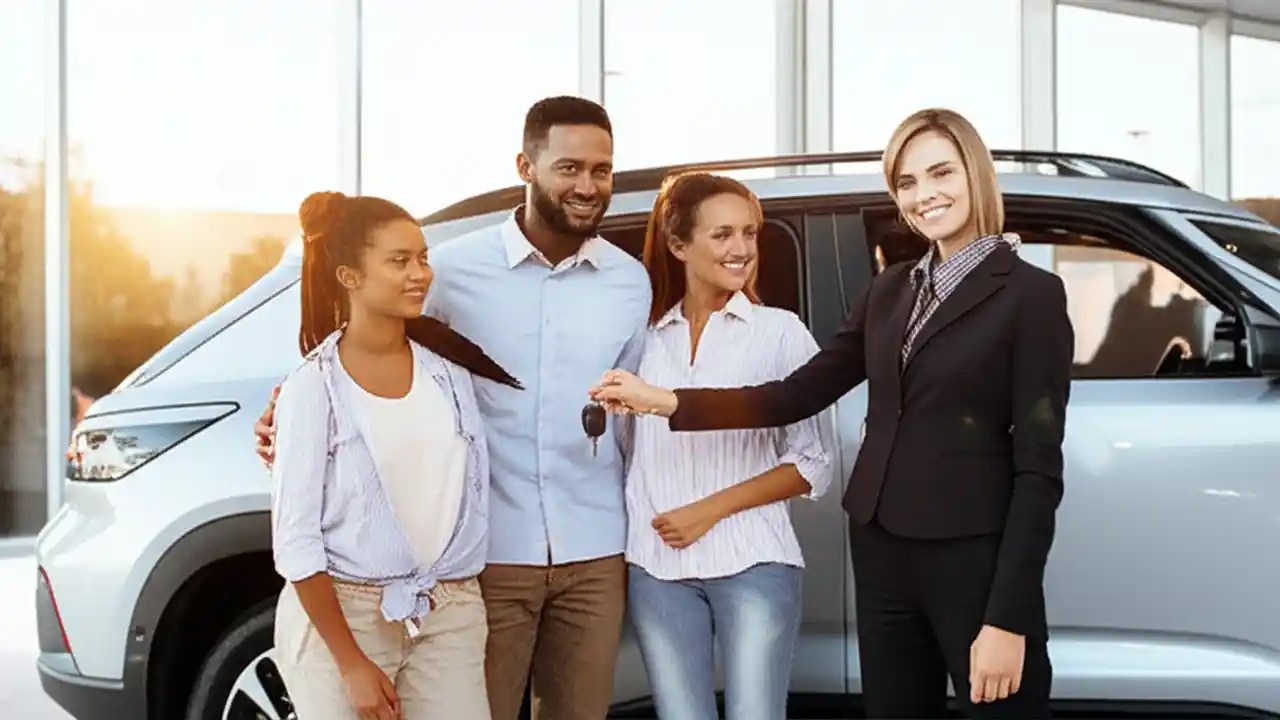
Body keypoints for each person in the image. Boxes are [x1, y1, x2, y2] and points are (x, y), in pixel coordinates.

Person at [591, 108, 1074, 719]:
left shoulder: (1030, 294)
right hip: (882, 552)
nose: (925, 196)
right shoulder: (891, 289)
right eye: (906, 183)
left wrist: (1008, 618)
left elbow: (1038, 471)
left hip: (972, 554)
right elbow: (792, 396)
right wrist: (666, 400)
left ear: (975, 172)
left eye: (940, 173)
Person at [258, 96, 651, 720]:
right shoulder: (449, 271)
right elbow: (372, 348)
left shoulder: (632, 283)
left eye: (601, 170)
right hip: (490, 555)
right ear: (526, 165)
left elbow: (631, 411)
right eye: (569, 167)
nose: (588, 185)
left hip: (595, 547)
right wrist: (291, 409)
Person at [269, 191, 520, 719]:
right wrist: (350, 662)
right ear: (349, 277)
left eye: (423, 258)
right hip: (347, 615)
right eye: (399, 261)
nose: (420, 274)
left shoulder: (448, 374)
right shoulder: (315, 388)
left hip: (449, 610)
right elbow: (296, 543)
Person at [618, 171, 835, 719]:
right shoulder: (641, 341)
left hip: (754, 564)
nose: (741, 249)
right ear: (678, 244)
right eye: (722, 235)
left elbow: (813, 465)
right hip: (656, 569)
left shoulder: (781, 333)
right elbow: (624, 455)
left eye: (750, 233)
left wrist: (707, 510)